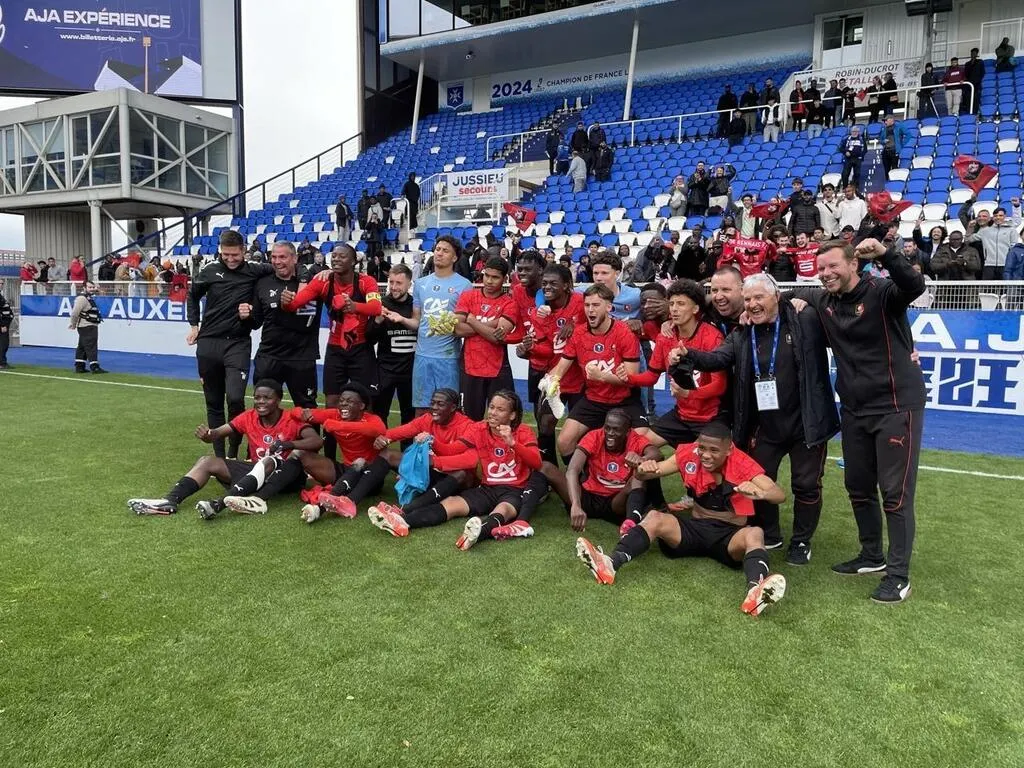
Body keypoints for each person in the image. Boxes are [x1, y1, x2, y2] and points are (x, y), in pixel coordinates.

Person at [790, 238, 925, 603]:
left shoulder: (882, 292)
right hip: (853, 409)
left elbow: (914, 285)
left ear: (854, 264)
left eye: (833, 266)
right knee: (858, 486)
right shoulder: (823, 299)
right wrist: (791, 301)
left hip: (896, 406)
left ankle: (898, 576)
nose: (825, 273)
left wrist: (887, 254)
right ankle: (871, 555)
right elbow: (787, 294)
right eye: (821, 268)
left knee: (895, 494)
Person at [681, 273, 839, 562]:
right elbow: (717, 359)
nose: (752, 304)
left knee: (806, 485)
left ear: (775, 297)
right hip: (765, 427)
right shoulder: (743, 332)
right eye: (748, 299)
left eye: (759, 297)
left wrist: (791, 299)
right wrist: (688, 355)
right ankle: (771, 533)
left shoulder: (803, 319)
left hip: (807, 425)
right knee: (758, 480)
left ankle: (801, 541)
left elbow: (827, 298)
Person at [575, 421, 789, 618]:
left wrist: (760, 493)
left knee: (755, 533)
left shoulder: (742, 463)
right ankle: (610, 564)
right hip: (693, 530)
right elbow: (651, 472)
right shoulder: (688, 455)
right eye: (702, 448)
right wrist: (642, 470)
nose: (706, 455)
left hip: (728, 536)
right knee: (655, 517)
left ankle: (755, 592)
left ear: (729, 449)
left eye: (714, 450)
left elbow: (779, 494)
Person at [367, 390, 541, 551]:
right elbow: (453, 449)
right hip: (487, 489)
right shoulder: (479, 428)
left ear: (512, 415)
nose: (493, 413)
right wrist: (433, 441)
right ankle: (402, 522)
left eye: (500, 410)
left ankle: (478, 534)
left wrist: (513, 443)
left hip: (514, 490)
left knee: (503, 510)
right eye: (492, 407)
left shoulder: (523, 432)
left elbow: (536, 462)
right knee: (451, 504)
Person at [128, 380, 321, 517]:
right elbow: (218, 433)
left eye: (267, 398)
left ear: (278, 399)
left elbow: (316, 441)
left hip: (285, 477)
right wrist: (208, 435)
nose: (261, 402)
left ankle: (221, 503)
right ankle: (171, 501)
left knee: (272, 460)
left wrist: (289, 444)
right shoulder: (249, 416)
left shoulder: (291, 419)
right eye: (257, 398)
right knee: (207, 461)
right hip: (256, 474)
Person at [281, 244, 382, 460]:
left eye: (341, 256)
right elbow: (296, 303)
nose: (336, 259)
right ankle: (329, 460)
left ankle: (369, 459)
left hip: (361, 349)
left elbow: (376, 308)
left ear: (353, 261)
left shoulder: (366, 281)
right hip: (335, 349)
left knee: (365, 406)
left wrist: (354, 306)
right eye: (333, 256)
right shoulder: (323, 281)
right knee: (332, 405)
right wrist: (287, 302)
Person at [186, 230, 274, 459]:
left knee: (235, 398)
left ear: (243, 250)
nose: (230, 259)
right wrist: (194, 325)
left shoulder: (255, 269)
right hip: (208, 343)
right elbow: (192, 295)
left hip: (237, 343)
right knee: (214, 402)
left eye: (235, 254)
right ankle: (219, 457)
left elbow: (282, 267)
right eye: (226, 254)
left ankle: (233, 452)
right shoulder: (210, 270)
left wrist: (305, 275)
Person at [622, 279, 726, 449]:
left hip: (709, 418)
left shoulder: (712, 337)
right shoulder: (665, 336)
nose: (674, 309)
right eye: (671, 304)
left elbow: (719, 386)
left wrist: (688, 394)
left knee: (694, 460)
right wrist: (626, 378)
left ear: (695, 309)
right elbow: (651, 376)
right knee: (638, 447)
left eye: (681, 304)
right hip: (681, 415)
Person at [547, 284, 644, 463]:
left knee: (643, 443)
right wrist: (550, 383)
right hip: (593, 399)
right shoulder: (579, 333)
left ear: (609, 307)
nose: (590, 310)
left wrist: (602, 377)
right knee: (564, 441)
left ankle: (632, 480)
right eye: (587, 305)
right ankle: (583, 476)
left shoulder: (625, 333)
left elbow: (631, 379)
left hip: (624, 400)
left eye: (596, 305)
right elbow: (561, 368)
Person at [385, 236, 472, 416]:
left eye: (445, 250)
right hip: (422, 357)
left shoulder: (465, 285)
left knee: (448, 411)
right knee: (421, 411)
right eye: (437, 249)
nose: (439, 253)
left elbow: (465, 324)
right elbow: (417, 321)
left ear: (455, 257)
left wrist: (452, 327)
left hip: (448, 358)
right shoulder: (421, 284)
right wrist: (401, 319)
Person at [364, 388, 476, 520]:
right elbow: (401, 431)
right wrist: (384, 438)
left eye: (440, 404)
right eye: (432, 403)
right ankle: (351, 499)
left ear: (453, 408)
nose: (434, 407)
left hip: (454, 480)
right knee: (388, 455)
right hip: (431, 470)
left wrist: (434, 461)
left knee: (461, 473)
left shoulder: (468, 426)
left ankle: (406, 509)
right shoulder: (427, 419)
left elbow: (471, 460)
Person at [544, 409, 662, 533]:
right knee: (546, 467)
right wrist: (575, 505)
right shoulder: (594, 436)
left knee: (640, 474)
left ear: (627, 431)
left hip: (617, 502)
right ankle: (528, 516)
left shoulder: (635, 439)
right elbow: (573, 469)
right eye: (607, 428)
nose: (610, 433)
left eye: (616, 430)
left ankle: (631, 523)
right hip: (587, 498)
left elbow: (656, 453)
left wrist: (642, 459)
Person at [290, 382, 389, 522]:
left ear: (361, 406)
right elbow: (293, 413)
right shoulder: (335, 415)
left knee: (360, 461)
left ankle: (321, 506)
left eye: (349, 401)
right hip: (346, 470)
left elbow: (379, 430)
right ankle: (272, 490)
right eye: (341, 400)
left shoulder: (372, 419)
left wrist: (339, 425)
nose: (343, 404)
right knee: (299, 453)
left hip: (368, 477)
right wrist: (303, 413)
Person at [244, 241, 323, 410]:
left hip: (302, 357)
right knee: (263, 407)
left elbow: (338, 279)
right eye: (273, 257)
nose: (277, 261)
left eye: (282, 257)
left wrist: (329, 272)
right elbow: (256, 322)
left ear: (295, 258)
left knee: (307, 409)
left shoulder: (313, 281)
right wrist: (246, 315)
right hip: (270, 356)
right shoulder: (262, 283)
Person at [521, 264, 586, 464]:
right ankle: (549, 471)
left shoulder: (580, 302)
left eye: (553, 283)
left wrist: (575, 325)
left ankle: (582, 471)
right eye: (545, 283)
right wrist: (529, 348)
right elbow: (547, 350)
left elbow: (595, 324)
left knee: (582, 428)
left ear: (566, 285)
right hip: (555, 377)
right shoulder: (538, 314)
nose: (547, 287)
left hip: (581, 376)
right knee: (545, 423)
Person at [454, 256, 517, 420]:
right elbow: (458, 330)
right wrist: (492, 323)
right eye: (486, 275)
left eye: (495, 277)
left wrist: (472, 321)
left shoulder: (509, 303)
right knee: (468, 421)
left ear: (505, 279)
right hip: (470, 367)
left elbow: (497, 337)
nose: (489, 281)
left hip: (498, 369)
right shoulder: (468, 296)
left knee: (500, 420)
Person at [371, 263, 417, 429]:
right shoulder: (381, 304)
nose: (394, 287)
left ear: (409, 284)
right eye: (391, 282)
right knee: (379, 415)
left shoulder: (416, 305)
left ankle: (407, 447)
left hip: (411, 371)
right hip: (385, 370)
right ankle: (379, 446)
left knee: (410, 417)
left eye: (399, 283)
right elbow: (369, 339)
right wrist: (377, 321)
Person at [963, 198, 1023, 279]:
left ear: (1005, 216)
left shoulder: (1010, 228)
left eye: (1000, 215)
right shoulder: (985, 231)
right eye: (995, 216)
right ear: (992, 217)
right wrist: (970, 228)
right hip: (989, 265)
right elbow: (968, 240)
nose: (998, 217)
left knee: (1005, 287)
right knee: (987, 287)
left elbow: (1017, 220)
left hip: (1005, 265)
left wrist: (1016, 206)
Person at [69, 281, 107, 374]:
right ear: (84, 288)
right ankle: (94, 366)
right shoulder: (82, 298)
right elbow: (74, 313)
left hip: (87, 325)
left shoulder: (87, 297)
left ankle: (79, 366)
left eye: (93, 287)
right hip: (87, 325)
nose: (92, 289)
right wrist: (73, 324)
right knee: (91, 346)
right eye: (90, 287)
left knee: (82, 346)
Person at [963, 48, 984, 114]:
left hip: (977, 84)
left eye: (974, 53)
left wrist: (978, 80)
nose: (973, 54)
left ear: (977, 54)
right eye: (972, 53)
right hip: (969, 84)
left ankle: (975, 113)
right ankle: (969, 113)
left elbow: (982, 72)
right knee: (968, 99)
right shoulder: (967, 64)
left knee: (976, 99)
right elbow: (965, 74)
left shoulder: (980, 62)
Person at [0, 290, 13, 369]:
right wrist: (2, 325)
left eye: (2, 284)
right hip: (3, 325)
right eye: (0, 284)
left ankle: (3, 362)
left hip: (5, 323)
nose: (1, 285)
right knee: (3, 344)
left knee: (4, 343)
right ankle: (2, 363)